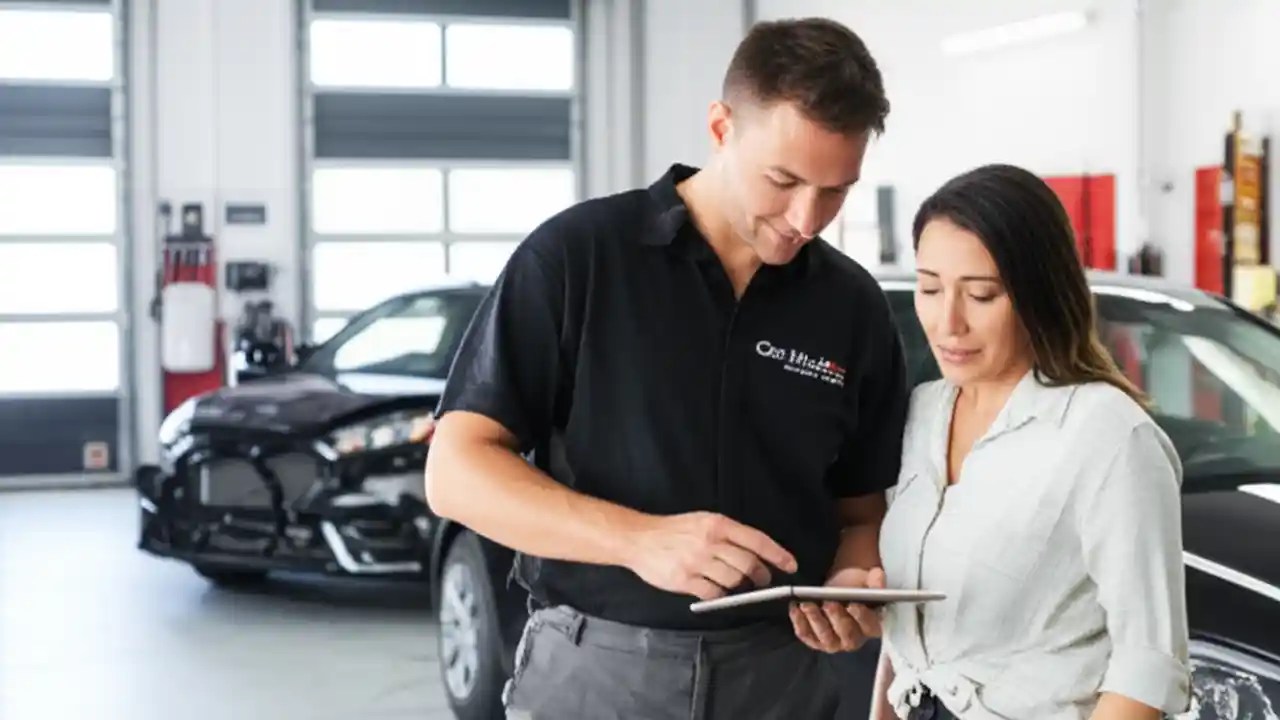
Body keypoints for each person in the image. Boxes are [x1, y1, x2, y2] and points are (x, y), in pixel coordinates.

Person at [424, 16, 909, 720]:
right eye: (784, 179)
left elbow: (860, 511)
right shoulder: (578, 257)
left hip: (787, 680)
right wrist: (639, 540)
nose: (807, 218)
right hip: (596, 672)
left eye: (836, 190)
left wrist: (852, 578)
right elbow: (455, 471)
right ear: (721, 127)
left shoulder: (852, 305)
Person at [870, 164, 1192, 720]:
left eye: (981, 294)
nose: (948, 322)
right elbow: (912, 636)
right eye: (929, 287)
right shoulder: (921, 414)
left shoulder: (1107, 434)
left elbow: (1150, 666)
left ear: (1037, 293)